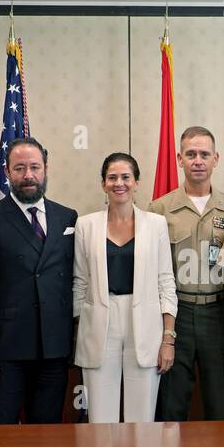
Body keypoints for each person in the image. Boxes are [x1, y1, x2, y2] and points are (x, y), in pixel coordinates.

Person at [0, 137, 76, 425]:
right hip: (3, 353)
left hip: (53, 349)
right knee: (1, 440)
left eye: (35, 167)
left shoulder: (67, 218)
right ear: (7, 172)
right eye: (20, 168)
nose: (28, 175)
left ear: (46, 169)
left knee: (48, 438)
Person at [73, 153, 177, 423]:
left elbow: (166, 282)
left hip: (145, 326)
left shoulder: (156, 225)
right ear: (103, 184)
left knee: (141, 421)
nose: (119, 183)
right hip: (98, 327)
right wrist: (80, 327)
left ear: (137, 182)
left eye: (125, 177)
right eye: (112, 177)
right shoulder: (85, 225)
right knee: (100, 422)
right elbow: (80, 282)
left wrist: (168, 338)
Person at [149, 126, 224, 421]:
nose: (197, 160)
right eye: (191, 154)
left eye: (204, 154)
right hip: (178, 313)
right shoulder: (159, 210)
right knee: (171, 403)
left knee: (222, 401)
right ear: (179, 159)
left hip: (219, 313)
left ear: (216, 159)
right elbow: (152, 273)